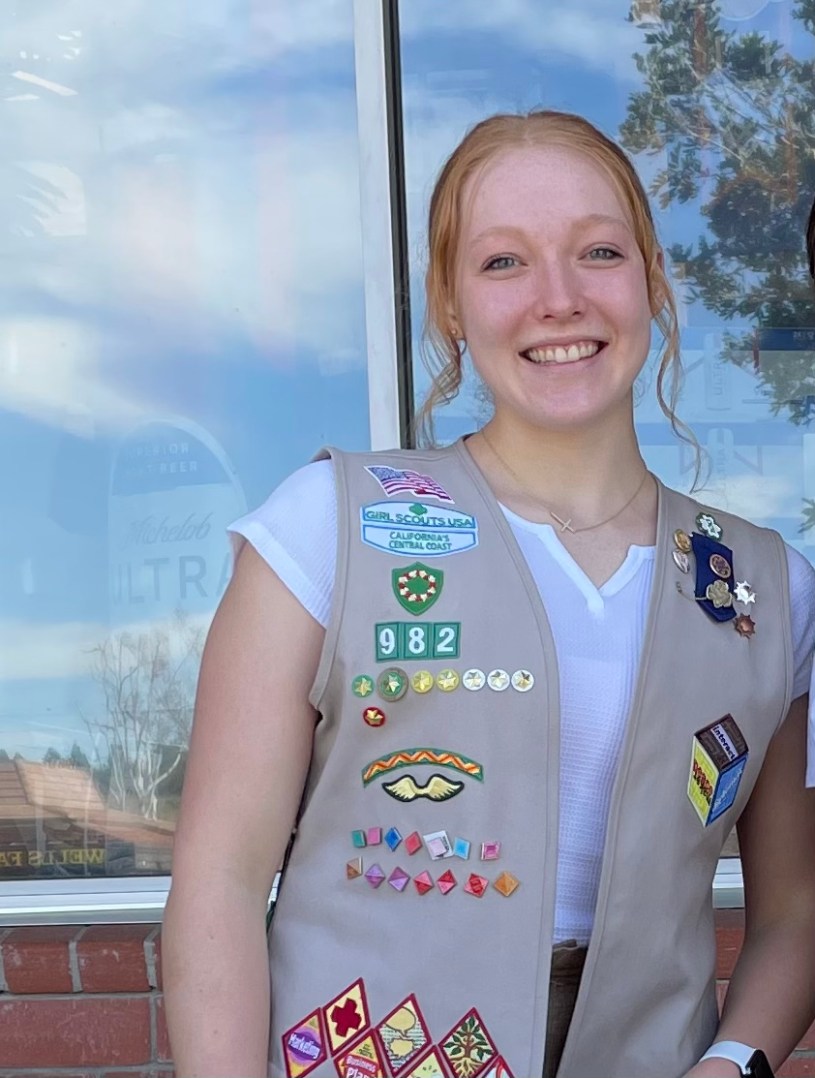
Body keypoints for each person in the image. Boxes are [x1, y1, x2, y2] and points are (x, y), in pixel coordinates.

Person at [163, 110, 815, 1078]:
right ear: (450, 304)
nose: (557, 298)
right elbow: (218, 881)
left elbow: (796, 911)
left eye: (596, 251)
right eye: (502, 262)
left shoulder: (764, 585)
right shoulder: (325, 528)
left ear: (650, 281)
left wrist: (728, 1063)